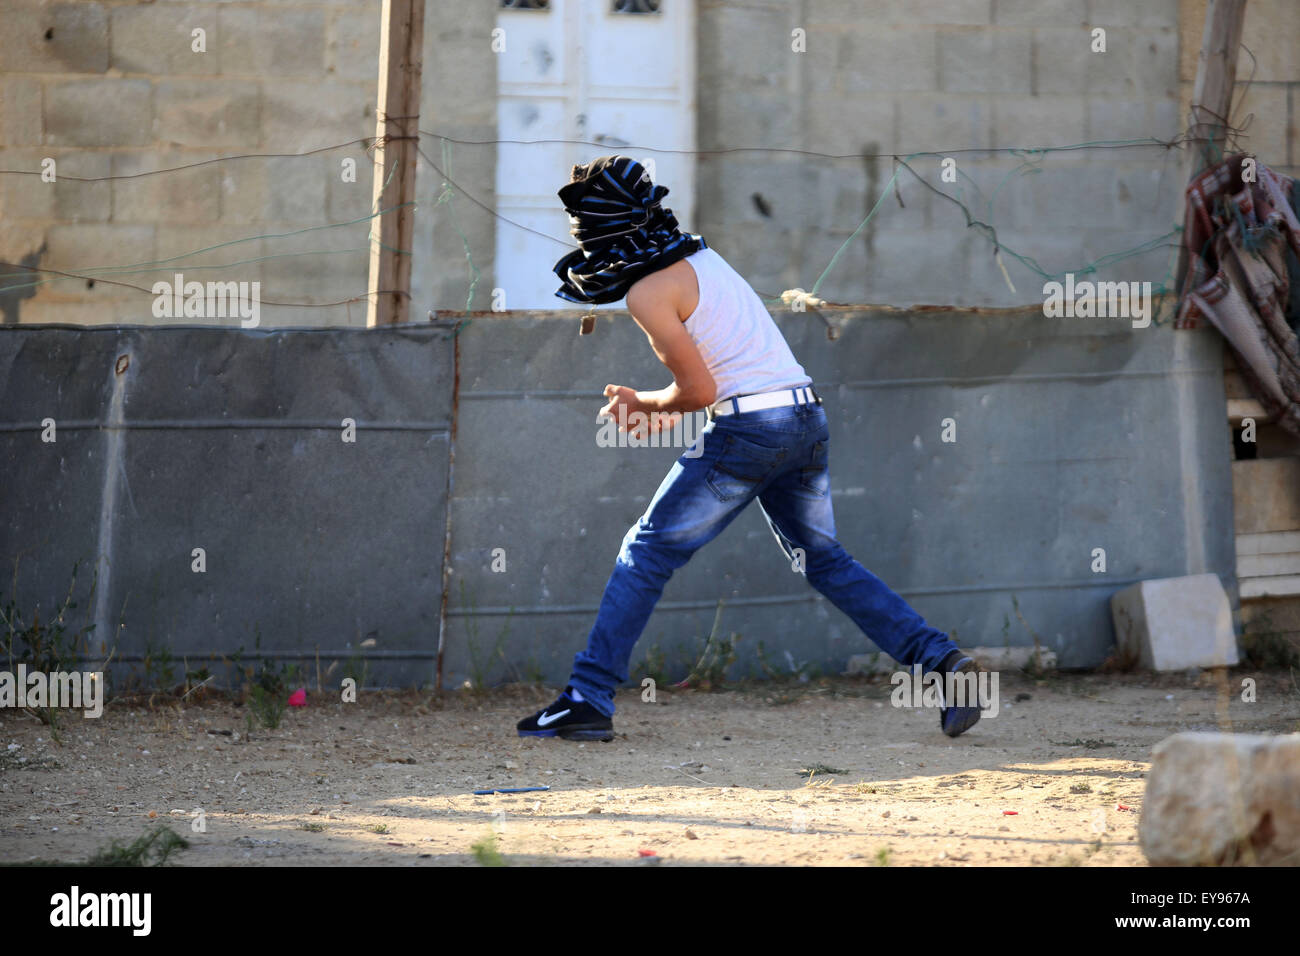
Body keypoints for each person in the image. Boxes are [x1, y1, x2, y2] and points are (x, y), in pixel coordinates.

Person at [517, 155, 982, 741]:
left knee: (647, 552)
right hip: (803, 416)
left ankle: (587, 698)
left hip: (750, 432)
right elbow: (714, 386)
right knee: (824, 558)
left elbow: (700, 390)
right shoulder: (702, 259)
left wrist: (646, 407)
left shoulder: (647, 294)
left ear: (597, 228)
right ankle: (941, 664)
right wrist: (667, 407)